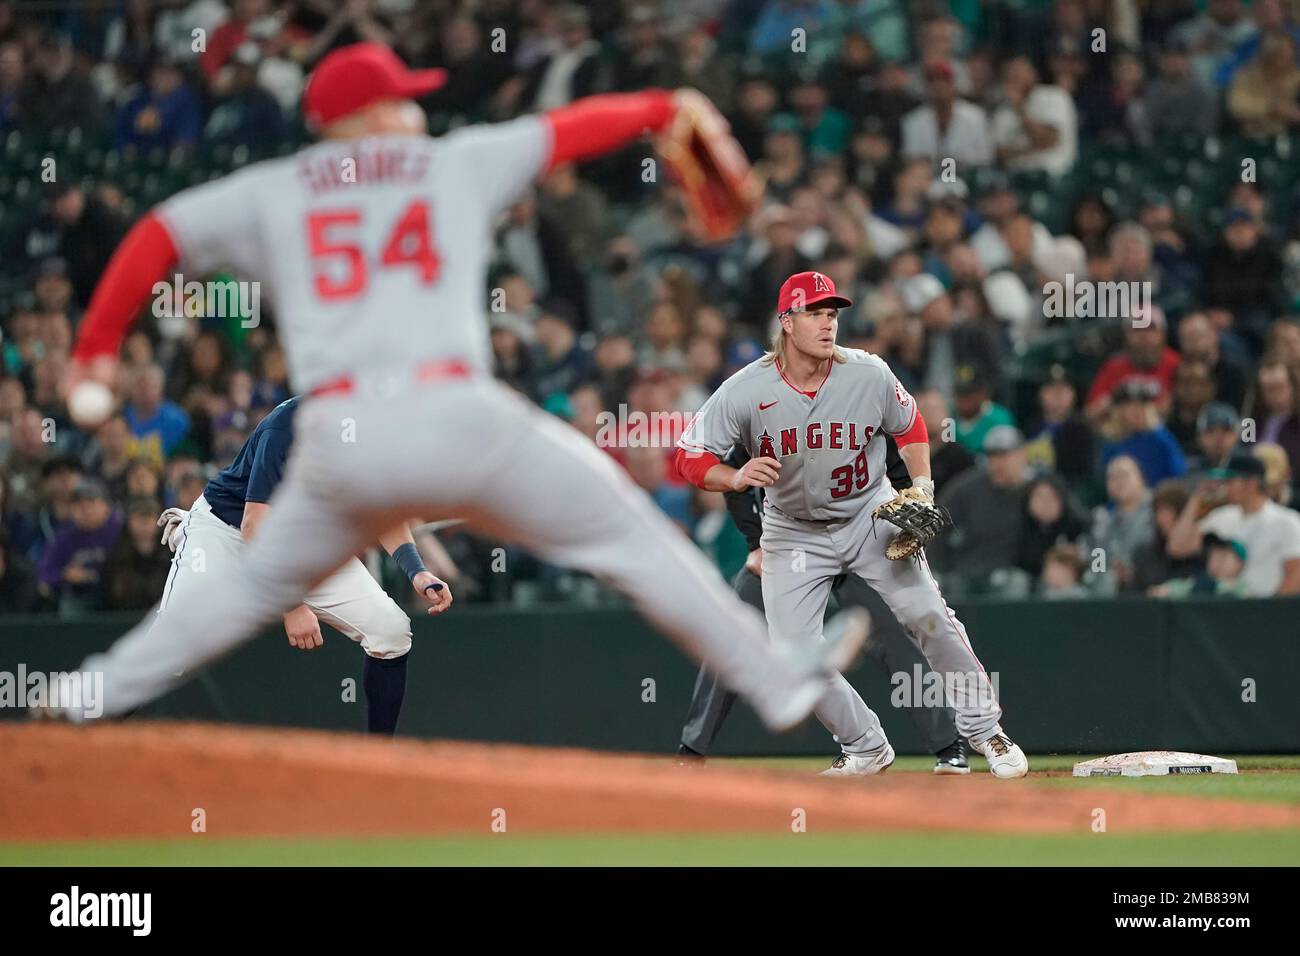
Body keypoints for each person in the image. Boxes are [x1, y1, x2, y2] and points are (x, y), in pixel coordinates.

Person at [60, 44, 864, 732]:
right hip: (456, 417)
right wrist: (665, 101)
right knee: (625, 532)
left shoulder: (273, 189)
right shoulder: (454, 160)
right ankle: (778, 679)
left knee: (249, 589)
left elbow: (154, 234)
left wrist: (95, 348)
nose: (413, 114)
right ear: (368, 115)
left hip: (340, 439)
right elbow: (576, 129)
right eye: (400, 102)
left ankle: (86, 694)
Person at [672, 271, 1028, 778]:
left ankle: (986, 730)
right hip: (793, 528)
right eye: (815, 313)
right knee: (791, 657)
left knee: (928, 616)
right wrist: (733, 476)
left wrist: (922, 486)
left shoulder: (869, 373)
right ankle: (864, 745)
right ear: (787, 322)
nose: (827, 323)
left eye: (833, 314)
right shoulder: (746, 389)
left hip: (868, 514)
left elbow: (910, 426)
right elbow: (688, 455)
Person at [150, 396, 450, 734]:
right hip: (227, 531)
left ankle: (378, 761)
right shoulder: (289, 424)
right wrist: (291, 605)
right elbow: (254, 526)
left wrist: (417, 571)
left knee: (391, 630)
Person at [677, 445, 968, 775]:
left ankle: (949, 745)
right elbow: (735, 476)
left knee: (895, 639)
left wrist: (907, 511)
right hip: (790, 546)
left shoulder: (861, 402)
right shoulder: (766, 408)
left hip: (860, 543)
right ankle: (692, 750)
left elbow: (899, 469)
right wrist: (756, 541)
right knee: (734, 630)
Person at [1167, 454, 1300, 597]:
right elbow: (1177, 547)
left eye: (1230, 480)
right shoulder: (1222, 517)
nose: (1225, 486)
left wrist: (1271, 611)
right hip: (1224, 608)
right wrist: (1196, 499)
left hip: (1265, 608)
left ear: (1251, 483)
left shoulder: (1286, 521)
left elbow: (1296, 574)